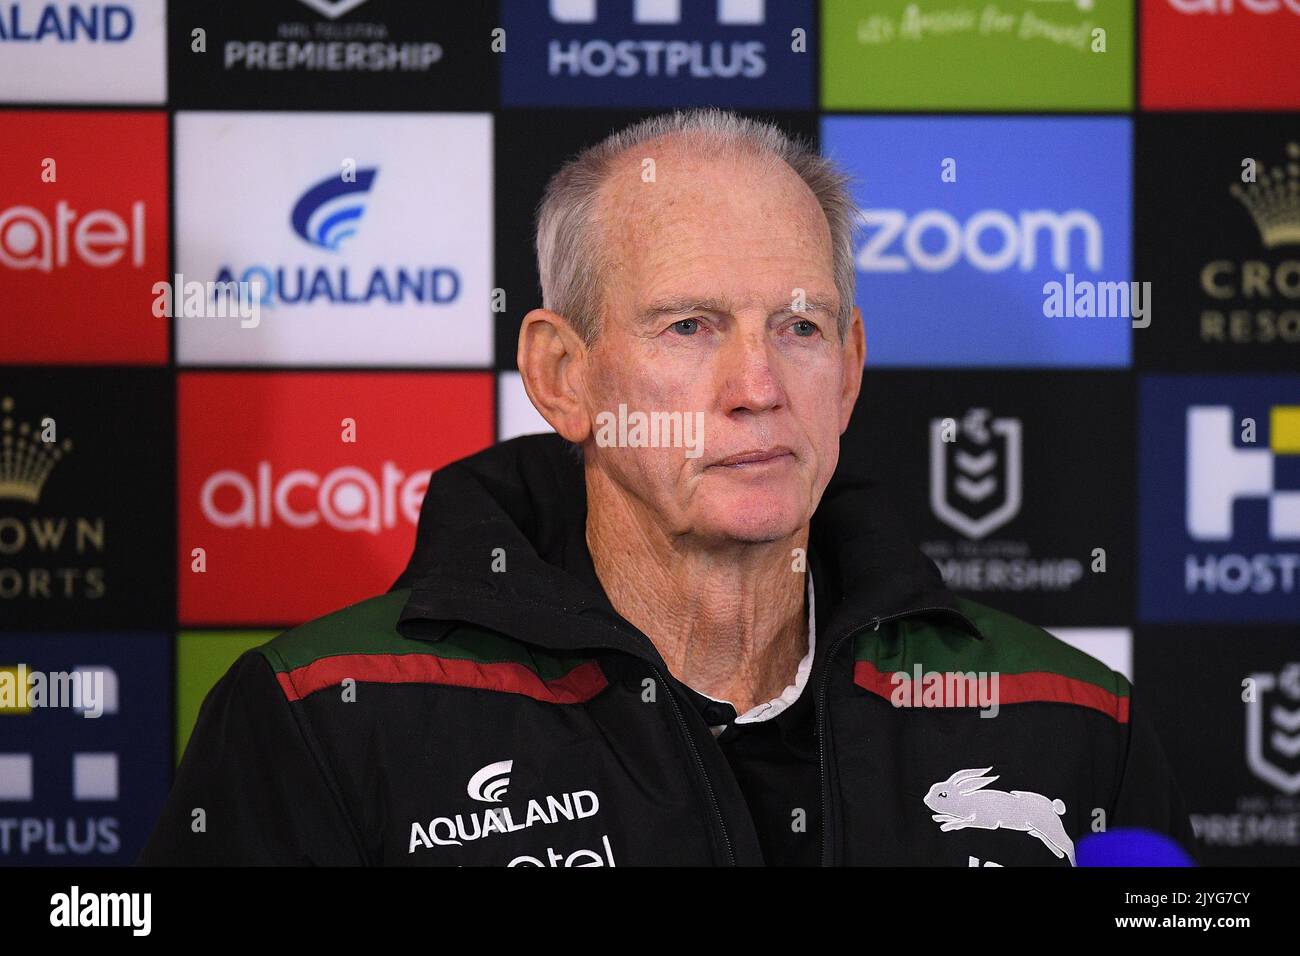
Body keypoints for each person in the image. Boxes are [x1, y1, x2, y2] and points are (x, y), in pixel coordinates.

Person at [140, 109, 1194, 866]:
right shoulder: (325, 719)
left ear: (851, 369)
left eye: (800, 327)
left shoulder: (1068, 718)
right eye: (689, 326)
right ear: (564, 376)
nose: (757, 388)